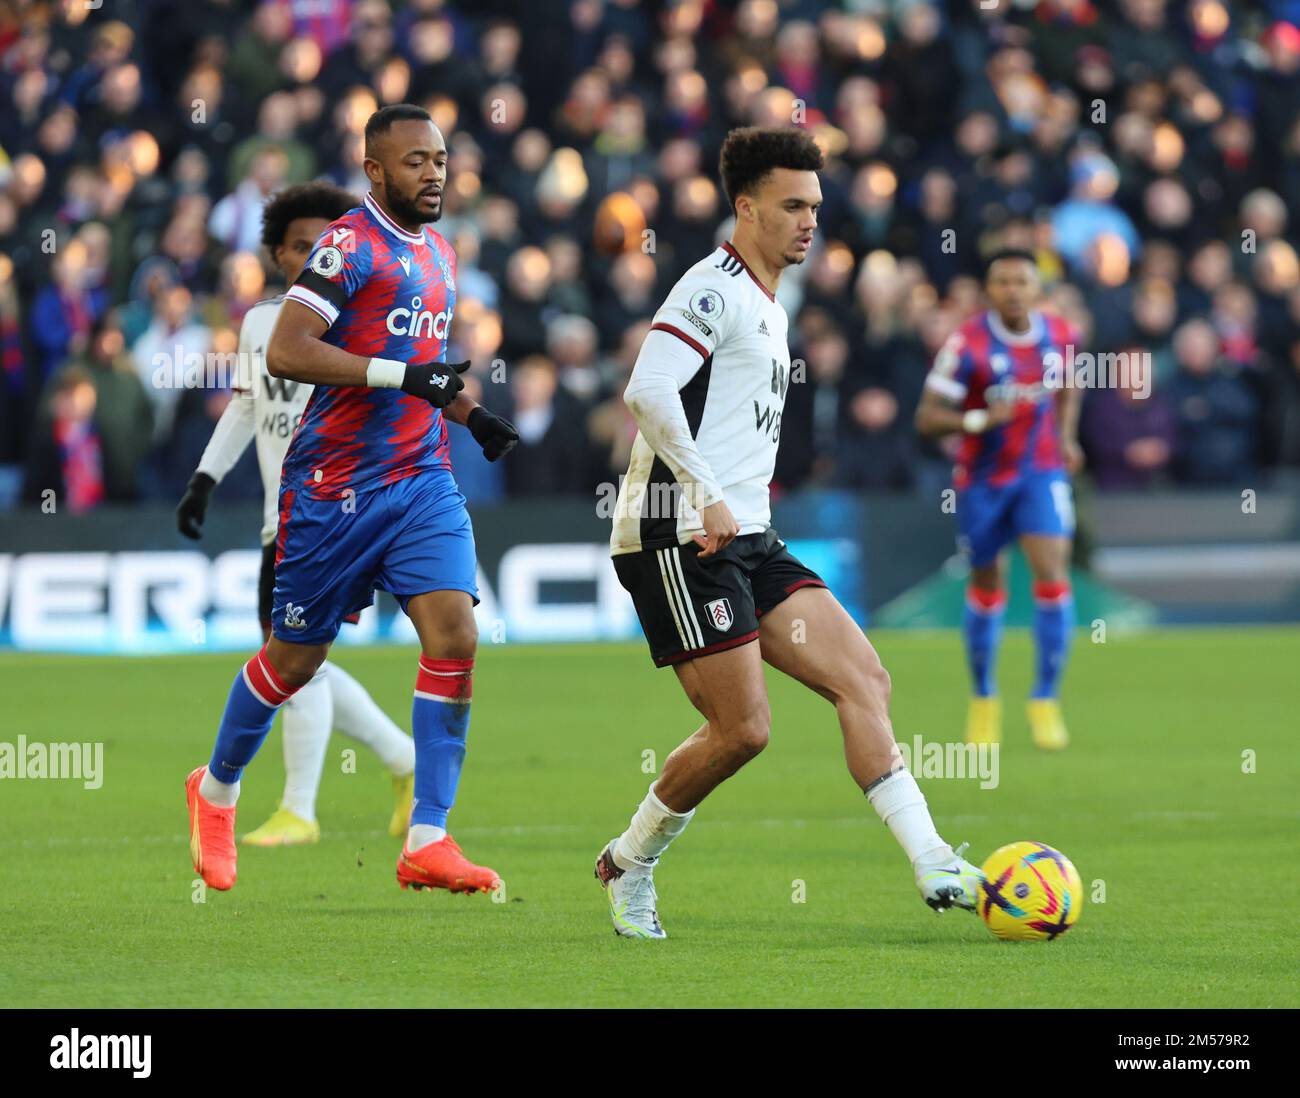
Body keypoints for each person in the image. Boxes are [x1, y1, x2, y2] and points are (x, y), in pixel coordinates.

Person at [594, 127, 982, 940]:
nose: (810, 221)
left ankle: (933, 858)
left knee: (864, 678)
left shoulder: (774, 302)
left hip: (749, 535)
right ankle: (631, 864)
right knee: (745, 731)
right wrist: (703, 496)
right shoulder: (714, 287)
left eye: (815, 206)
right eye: (792, 206)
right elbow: (647, 388)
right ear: (745, 208)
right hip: (676, 533)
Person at [184, 104, 519, 895]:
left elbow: (423, 364)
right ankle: (217, 790)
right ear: (375, 170)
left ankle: (429, 837)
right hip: (332, 487)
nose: (433, 172)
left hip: (421, 479)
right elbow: (289, 349)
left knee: (455, 634)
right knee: (296, 661)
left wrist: (471, 417)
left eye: (439, 159)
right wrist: (405, 378)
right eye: (414, 161)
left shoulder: (440, 252)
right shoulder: (347, 245)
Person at [176, 180, 419, 848]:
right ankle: (404, 761)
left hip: (344, 511)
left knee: (291, 657)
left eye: (324, 244)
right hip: (280, 521)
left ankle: (299, 810)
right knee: (292, 658)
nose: (314, 255)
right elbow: (251, 407)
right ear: (278, 254)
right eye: (299, 246)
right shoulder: (260, 326)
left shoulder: (365, 318)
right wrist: (204, 477)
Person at [914, 249, 1083, 751]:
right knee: (988, 581)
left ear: (1037, 290)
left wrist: (1068, 437)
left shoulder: (1060, 336)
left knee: (1052, 574)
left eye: (1021, 281)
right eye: (1002, 281)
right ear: (989, 291)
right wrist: (979, 420)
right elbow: (926, 416)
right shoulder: (967, 343)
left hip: (1041, 472)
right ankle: (985, 699)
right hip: (983, 479)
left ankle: (1045, 700)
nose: (1012, 290)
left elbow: (1070, 386)